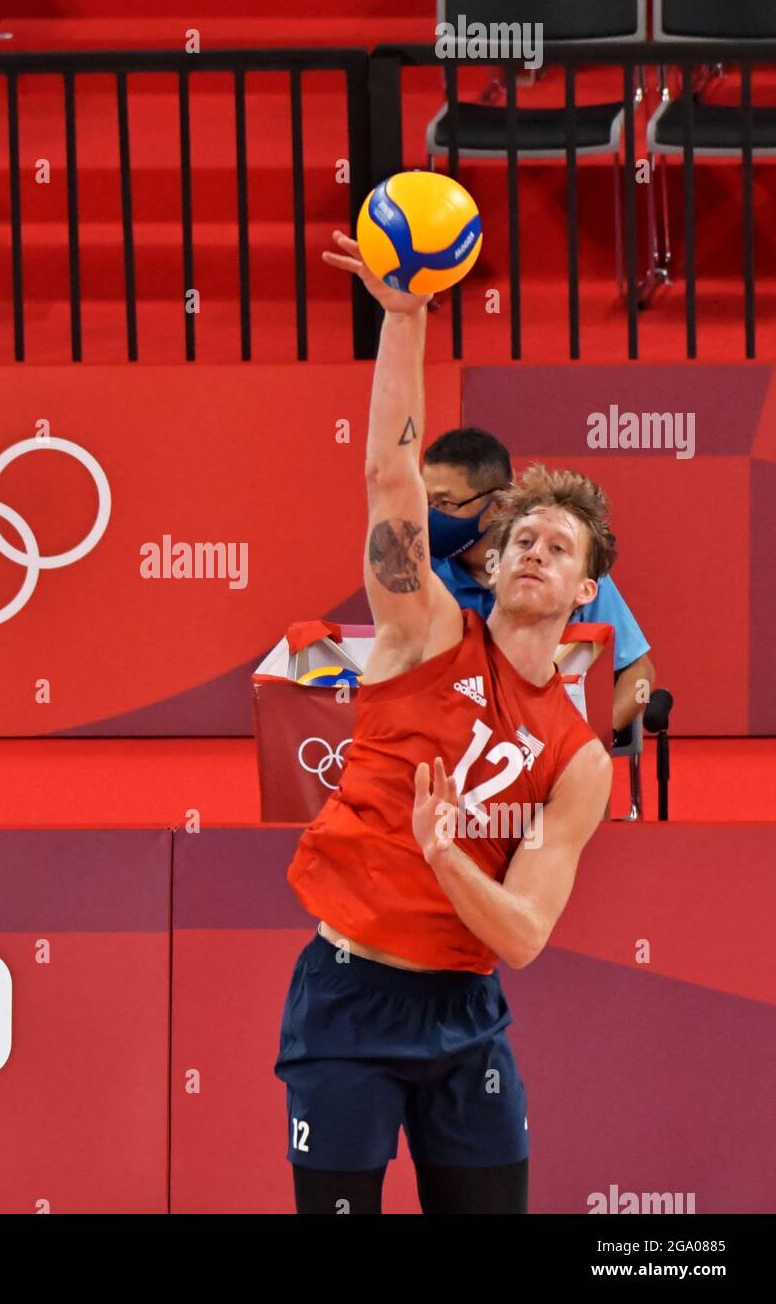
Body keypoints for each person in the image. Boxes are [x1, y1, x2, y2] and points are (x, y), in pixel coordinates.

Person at [274, 231, 613, 1215]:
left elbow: (523, 936)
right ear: (495, 565)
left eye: (559, 545)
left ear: (584, 586)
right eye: (521, 541)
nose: (535, 552)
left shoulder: (580, 759)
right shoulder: (422, 630)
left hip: (466, 1012)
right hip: (348, 993)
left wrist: (445, 854)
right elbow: (391, 478)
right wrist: (406, 318)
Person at [423, 427, 655, 732]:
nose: (428, 515)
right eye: (423, 501)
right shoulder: (421, 576)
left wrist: (584, 742)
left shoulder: (570, 575)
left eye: (444, 504)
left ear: (496, 505)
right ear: (497, 572)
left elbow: (639, 672)